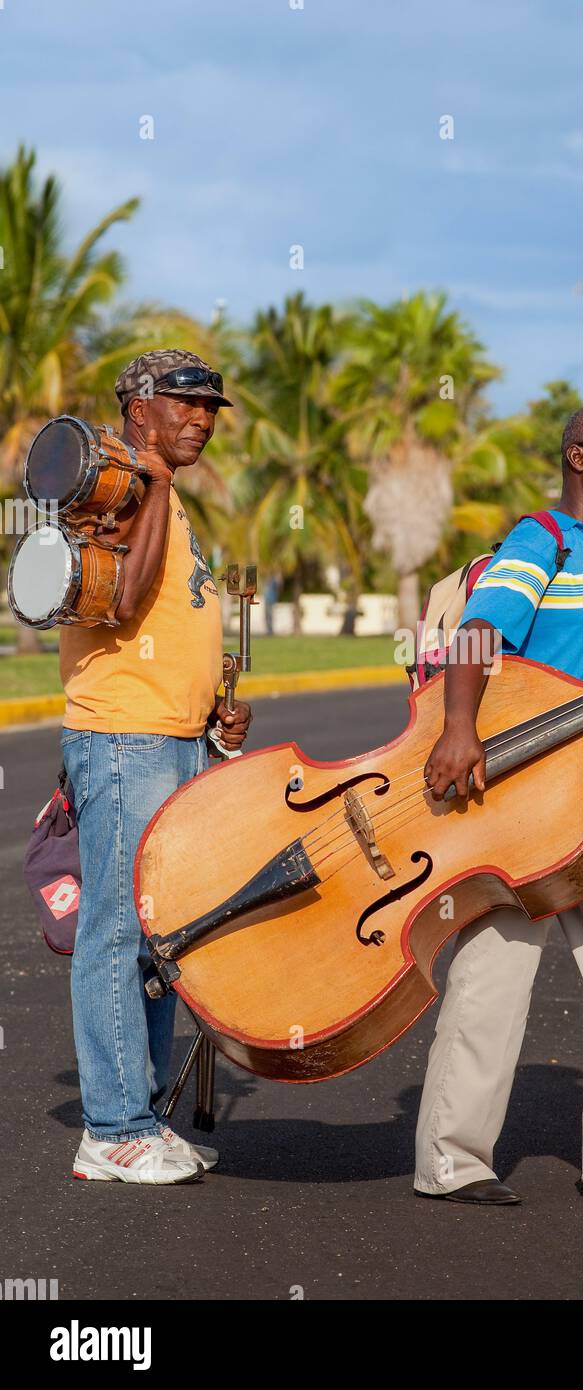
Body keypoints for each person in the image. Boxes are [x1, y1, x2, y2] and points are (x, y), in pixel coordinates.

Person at [414, 403, 583, 1208]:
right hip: (522, 807)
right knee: (495, 973)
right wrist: (459, 730)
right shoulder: (540, 539)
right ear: (578, 458)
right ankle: (453, 1161)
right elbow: (477, 633)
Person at [60, 349, 252, 1185]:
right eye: (186, 404)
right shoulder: (112, 486)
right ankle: (111, 1128)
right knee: (118, 931)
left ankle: (140, 1119)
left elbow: (170, 620)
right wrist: (159, 487)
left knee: (164, 938)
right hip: (123, 738)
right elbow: (124, 603)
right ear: (138, 407)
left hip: (176, 737)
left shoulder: (167, 500)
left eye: (211, 408)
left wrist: (216, 707)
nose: (202, 419)